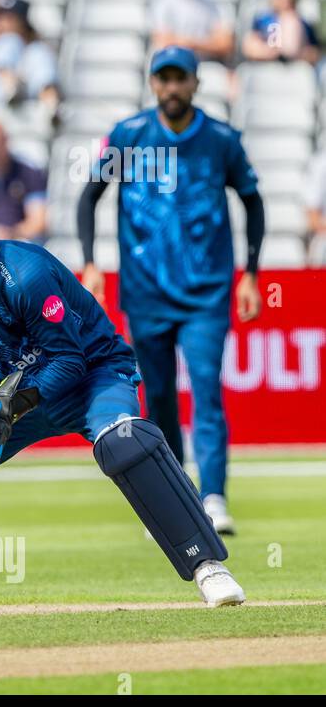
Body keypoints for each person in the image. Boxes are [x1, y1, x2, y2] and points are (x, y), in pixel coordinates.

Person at [0, 171, 247, 615]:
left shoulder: (25, 274)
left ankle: (208, 567)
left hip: (93, 374)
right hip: (19, 387)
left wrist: (7, 405)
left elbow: (69, 360)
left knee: (125, 442)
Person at [77, 46, 264, 537]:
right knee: (157, 397)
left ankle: (215, 496)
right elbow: (89, 196)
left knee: (206, 389)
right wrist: (91, 263)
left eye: (180, 79)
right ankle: (177, 496)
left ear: (196, 84)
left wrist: (251, 273)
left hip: (206, 291)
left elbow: (253, 200)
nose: (172, 88)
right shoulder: (129, 135)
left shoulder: (221, 140)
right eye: (164, 79)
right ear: (152, 83)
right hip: (146, 292)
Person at [0, 0, 58, 114]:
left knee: (38, 52)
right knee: (8, 43)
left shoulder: (37, 50)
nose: (1, 24)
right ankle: (10, 87)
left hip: (28, 111)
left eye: (8, 18)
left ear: (22, 21)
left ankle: (51, 107)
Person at [242, 0, 319, 65]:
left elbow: (314, 54)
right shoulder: (264, 20)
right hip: (264, 68)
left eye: (291, 0)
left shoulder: (304, 24)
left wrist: (296, 53)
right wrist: (271, 52)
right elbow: (249, 48)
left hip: (293, 71)